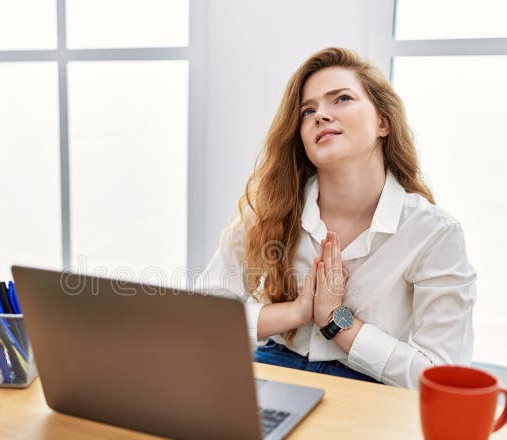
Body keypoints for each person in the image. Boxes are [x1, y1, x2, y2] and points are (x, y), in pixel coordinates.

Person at [195, 47, 476, 389]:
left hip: (369, 387)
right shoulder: (268, 211)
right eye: (307, 110)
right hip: (271, 369)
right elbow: (204, 320)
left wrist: (337, 321)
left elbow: (440, 378)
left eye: (341, 99)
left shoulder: (433, 233)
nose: (320, 115)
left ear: (383, 121)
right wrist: (296, 313)